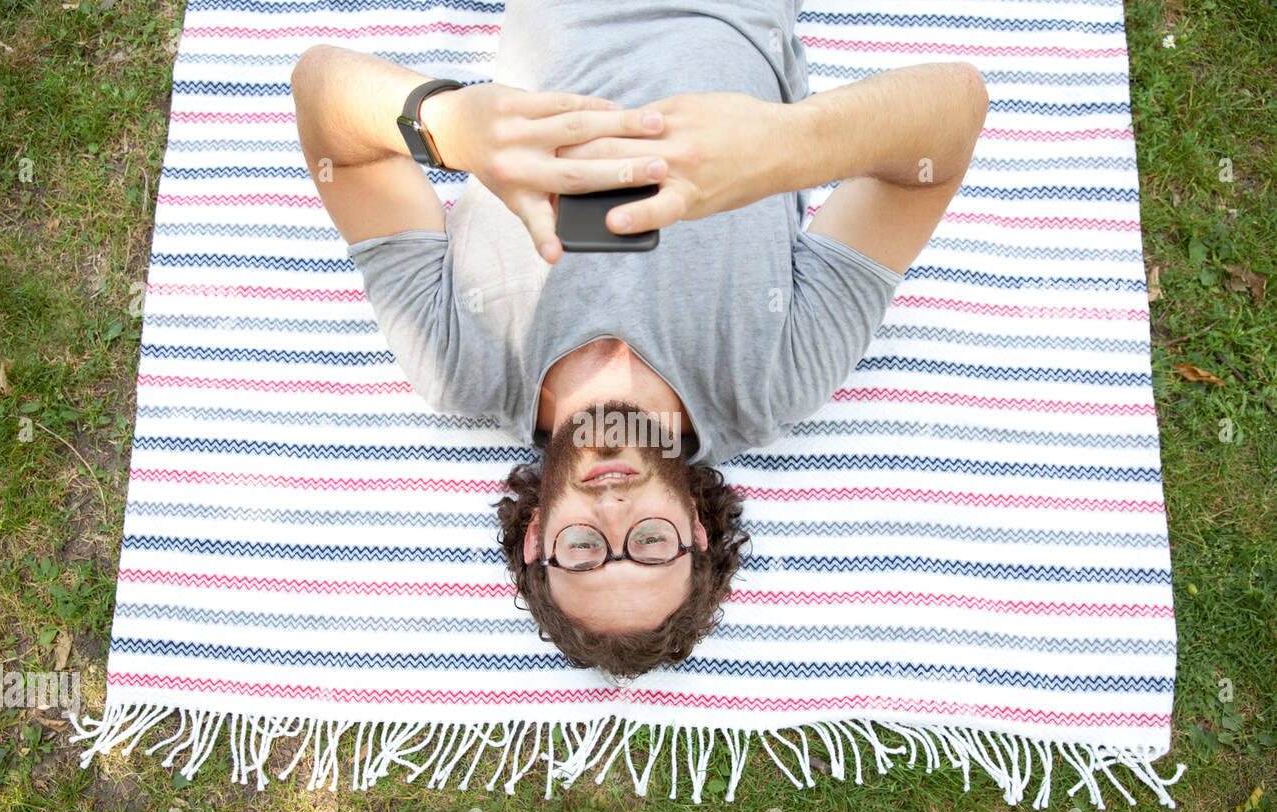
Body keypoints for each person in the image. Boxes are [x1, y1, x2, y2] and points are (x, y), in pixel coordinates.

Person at [290, 0, 988, 678]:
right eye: (651, 547)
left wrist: (442, 124)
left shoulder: (458, 361)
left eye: (586, 553)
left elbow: (322, 95)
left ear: (537, 539)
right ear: (695, 530)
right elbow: (953, 114)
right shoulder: (775, 378)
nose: (615, 514)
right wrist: (789, 145)